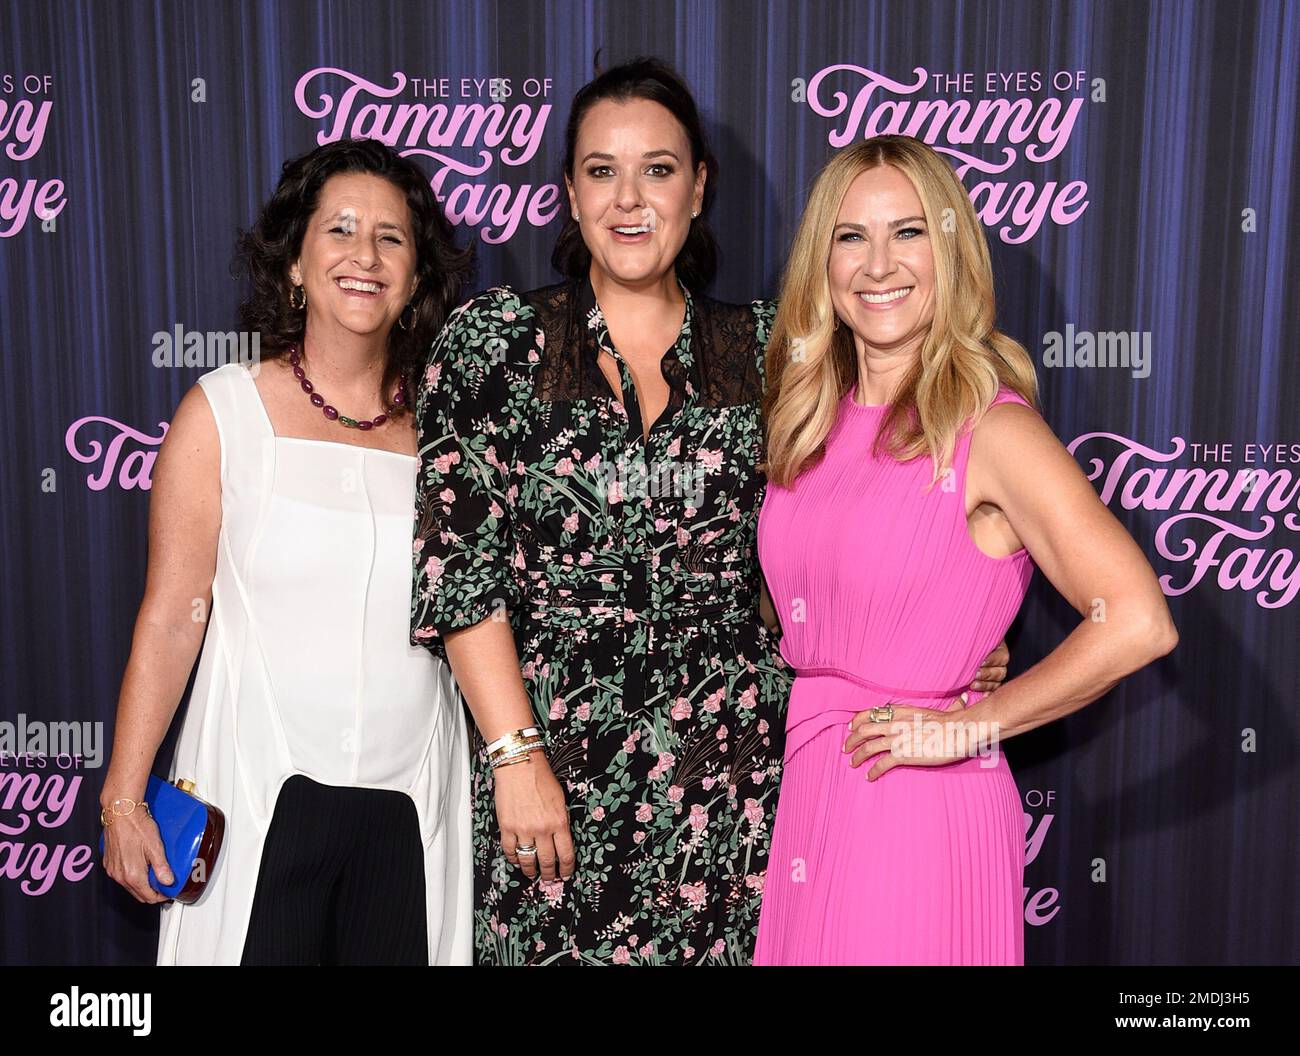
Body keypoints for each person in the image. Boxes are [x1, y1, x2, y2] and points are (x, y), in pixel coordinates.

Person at [409, 61, 1010, 965]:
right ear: (569, 194)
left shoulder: (776, 353)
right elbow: (462, 573)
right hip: (551, 780)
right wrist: (513, 757)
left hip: (740, 791)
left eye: (657, 168)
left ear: (698, 187)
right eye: (601, 171)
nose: (629, 198)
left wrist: (949, 635)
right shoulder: (494, 344)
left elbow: (869, 511)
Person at [753, 134, 1178, 965]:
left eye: (909, 232)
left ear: (951, 253)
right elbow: (810, 601)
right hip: (815, 790)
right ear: (821, 262)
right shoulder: (807, 420)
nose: (879, 264)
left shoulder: (993, 426)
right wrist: (951, 623)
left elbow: (1135, 619)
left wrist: (969, 725)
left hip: (915, 808)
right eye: (851, 236)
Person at [99, 137, 476, 965]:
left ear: (415, 276)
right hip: (261, 794)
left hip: (412, 811)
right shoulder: (222, 413)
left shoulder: (453, 435)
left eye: (391, 237)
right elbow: (173, 615)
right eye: (339, 230)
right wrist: (124, 797)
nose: (364, 256)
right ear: (296, 261)